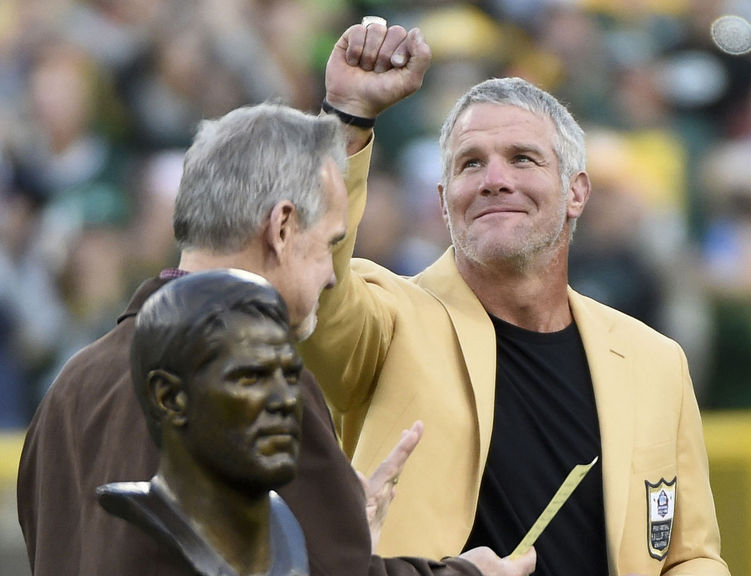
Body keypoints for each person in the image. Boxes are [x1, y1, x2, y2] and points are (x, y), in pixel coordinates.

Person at [17, 24, 536, 576]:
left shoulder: (68, 390)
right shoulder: (254, 369)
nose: (333, 279)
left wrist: (328, 522)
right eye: (329, 245)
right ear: (283, 228)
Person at [298, 22, 731, 576]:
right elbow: (316, 272)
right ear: (444, 199)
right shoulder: (386, 319)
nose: (494, 180)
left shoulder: (655, 361)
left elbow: (690, 556)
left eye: (523, 159)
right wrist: (348, 117)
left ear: (576, 192)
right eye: (470, 162)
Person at [98, 270, 309, 576]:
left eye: (290, 377)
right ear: (169, 397)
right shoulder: (144, 551)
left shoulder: (288, 536)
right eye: (250, 377)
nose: (286, 400)